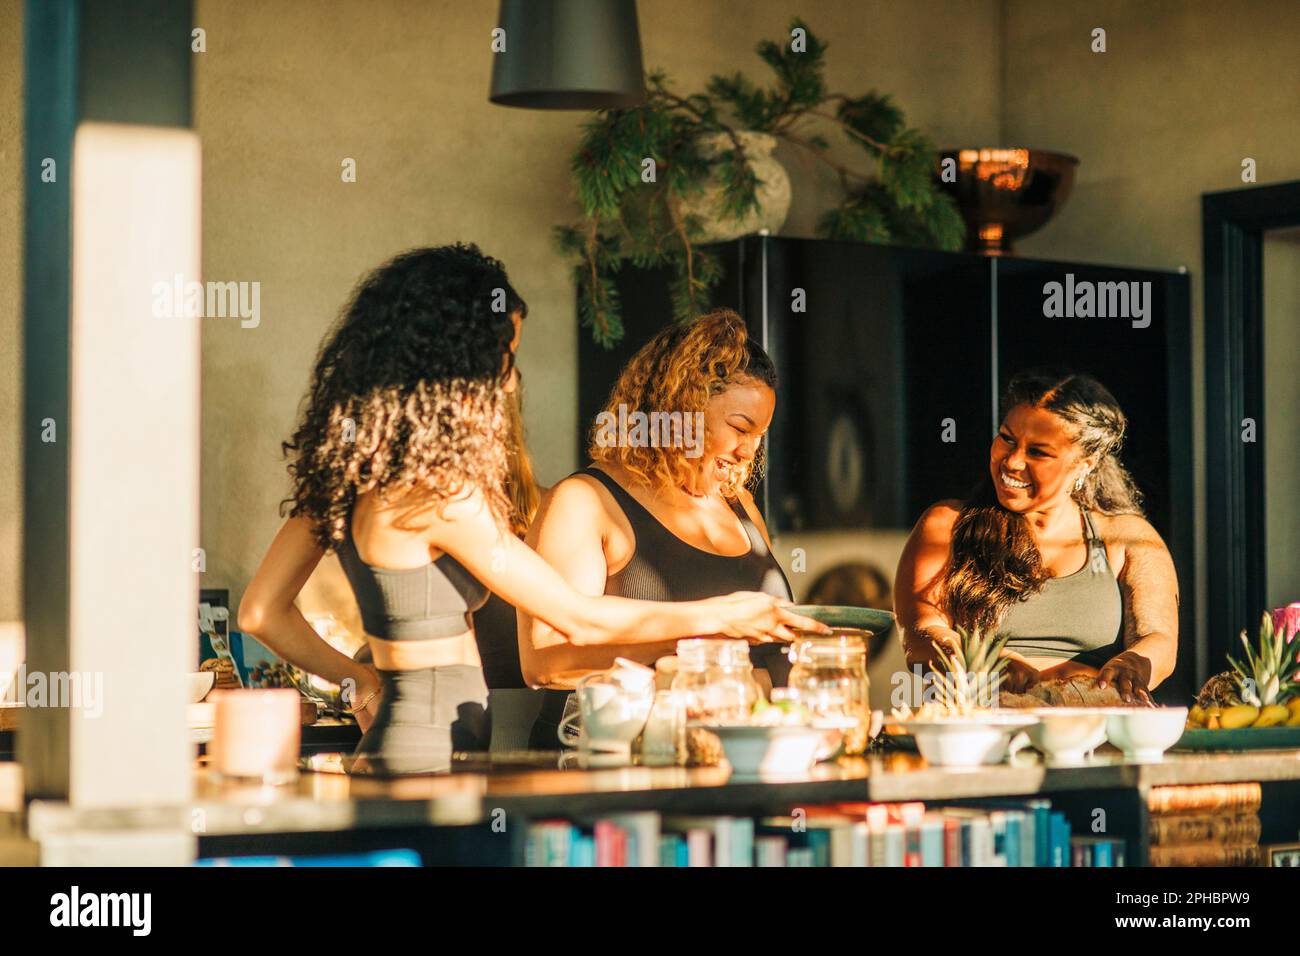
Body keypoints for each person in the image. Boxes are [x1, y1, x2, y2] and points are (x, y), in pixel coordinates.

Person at [237, 245, 822, 773]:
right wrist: (722, 616)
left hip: (407, 743)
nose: (511, 381)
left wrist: (361, 682)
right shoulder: (443, 495)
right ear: (454, 358)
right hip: (430, 755)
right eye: (504, 357)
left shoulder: (348, 475)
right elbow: (577, 620)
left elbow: (261, 613)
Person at [520, 309, 800, 747]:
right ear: (681, 409)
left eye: (759, 434)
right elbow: (546, 662)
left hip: (736, 759)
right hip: (606, 768)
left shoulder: (739, 504)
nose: (749, 451)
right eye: (739, 427)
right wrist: (700, 642)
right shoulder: (584, 502)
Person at [893, 369, 1179, 705]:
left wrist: (1131, 664)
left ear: (1085, 464)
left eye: (1039, 452)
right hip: (983, 726)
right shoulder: (948, 524)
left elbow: (1157, 638)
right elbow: (922, 632)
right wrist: (985, 665)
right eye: (1007, 438)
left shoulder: (1127, 537)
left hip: (1094, 726)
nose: (1012, 461)